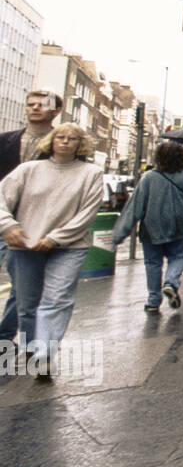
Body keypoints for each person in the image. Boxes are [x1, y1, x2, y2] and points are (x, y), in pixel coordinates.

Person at [0, 123, 103, 379]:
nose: (65, 142)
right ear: (51, 141)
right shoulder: (28, 170)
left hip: (69, 247)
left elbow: (87, 213)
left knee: (56, 301)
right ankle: (27, 348)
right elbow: (2, 201)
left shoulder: (90, 173)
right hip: (25, 244)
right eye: (60, 137)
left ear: (81, 145)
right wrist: (7, 225)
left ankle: (43, 357)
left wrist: (55, 238)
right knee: (26, 304)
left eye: (72, 139)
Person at [111, 141, 183, 312]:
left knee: (152, 263)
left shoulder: (148, 177)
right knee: (178, 257)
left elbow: (134, 207)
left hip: (151, 228)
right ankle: (171, 283)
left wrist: (118, 235)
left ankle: (154, 300)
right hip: (179, 226)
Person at [0, 89, 61, 340]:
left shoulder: (63, 144)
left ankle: (4, 336)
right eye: (30, 104)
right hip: (2, 217)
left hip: (33, 225)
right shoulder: (4, 141)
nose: (35, 108)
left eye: (42, 104)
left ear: (55, 111)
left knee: (23, 288)